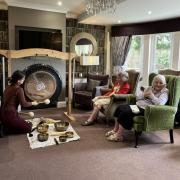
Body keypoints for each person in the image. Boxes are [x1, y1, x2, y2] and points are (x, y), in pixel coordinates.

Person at [106, 74, 168, 142]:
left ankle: (119, 135)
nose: (158, 84)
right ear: (153, 83)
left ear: (164, 84)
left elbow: (160, 104)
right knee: (120, 108)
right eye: (156, 82)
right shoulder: (149, 88)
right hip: (138, 106)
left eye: (161, 83)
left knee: (126, 113)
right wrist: (144, 95)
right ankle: (115, 130)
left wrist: (152, 96)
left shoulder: (164, 92)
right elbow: (138, 98)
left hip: (146, 110)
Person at [0, 70, 39, 134]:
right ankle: (6, 130)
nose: (24, 80)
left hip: (2, 116)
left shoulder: (8, 87)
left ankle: (8, 126)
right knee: (28, 128)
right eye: (23, 79)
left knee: (26, 123)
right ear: (18, 81)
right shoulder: (19, 89)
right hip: (10, 116)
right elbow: (24, 104)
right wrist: (33, 103)